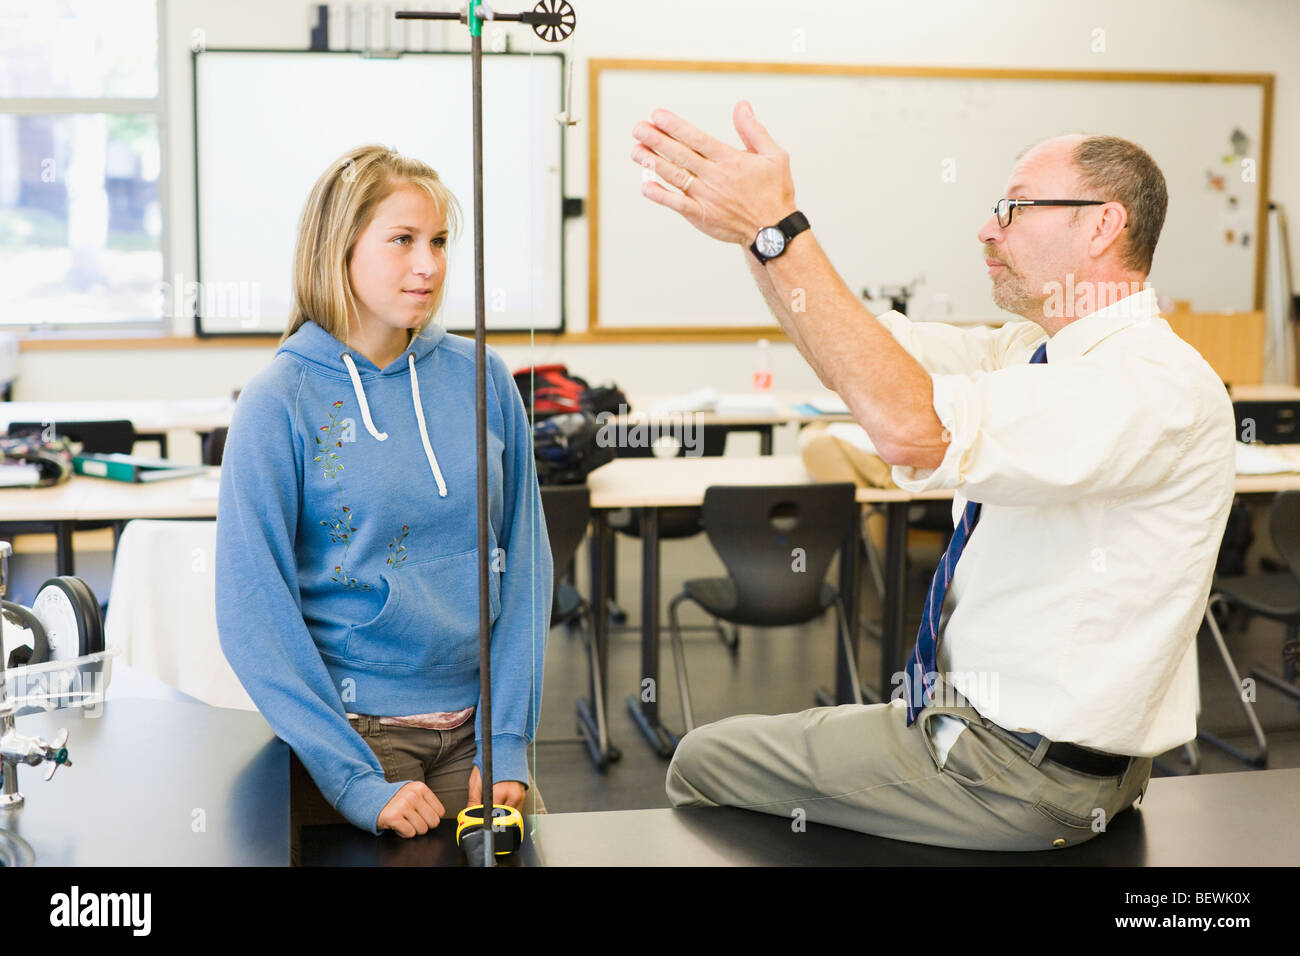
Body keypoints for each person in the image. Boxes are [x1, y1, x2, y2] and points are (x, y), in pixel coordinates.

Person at [631, 105, 1235, 851]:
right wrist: (755, 237)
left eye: (1014, 208)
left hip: (1017, 772)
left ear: (1103, 225)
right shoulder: (1042, 348)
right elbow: (879, 352)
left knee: (700, 761)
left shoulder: (1144, 380)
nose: (988, 229)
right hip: (984, 732)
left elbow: (910, 428)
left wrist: (777, 228)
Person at [215, 144, 552, 864]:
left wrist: (509, 738)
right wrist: (354, 779)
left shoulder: (483, 375)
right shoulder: (279, 402)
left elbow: (526, 565)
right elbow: (253, 614)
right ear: (340, 248)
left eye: (438, 242)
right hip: (357, 738)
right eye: (401, 240)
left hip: (482, 733)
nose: (427, 265)